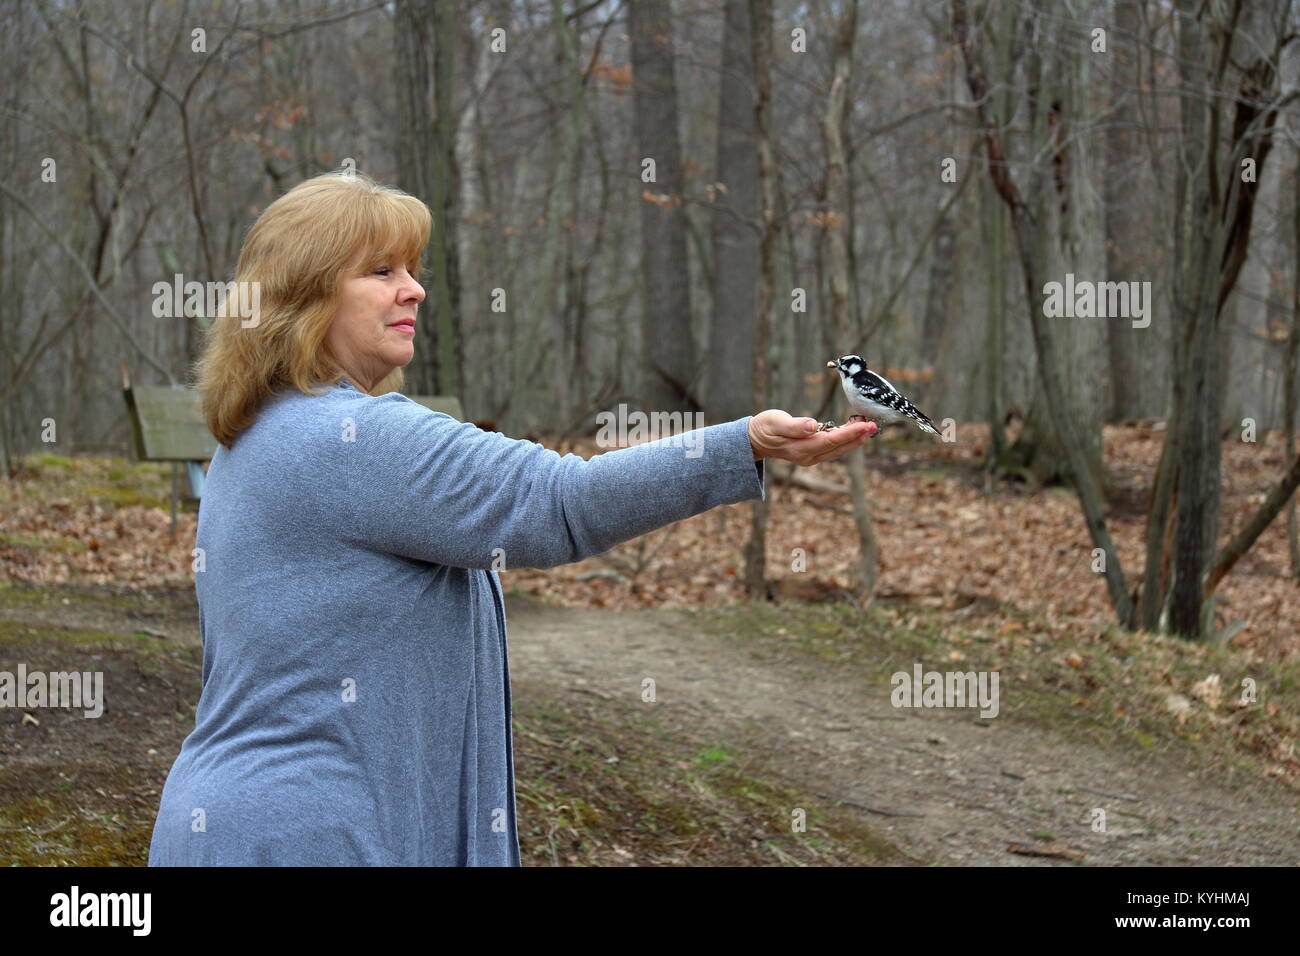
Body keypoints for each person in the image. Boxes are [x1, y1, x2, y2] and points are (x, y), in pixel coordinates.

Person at [147, 170, 877, 866]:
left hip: (233, 827)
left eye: (412, 268)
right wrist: (740, 441)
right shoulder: (352, 440)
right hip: (314, 836)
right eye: (382, 272)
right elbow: (561, 504)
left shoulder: (252, 438)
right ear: (304, 297)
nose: (415, 290)